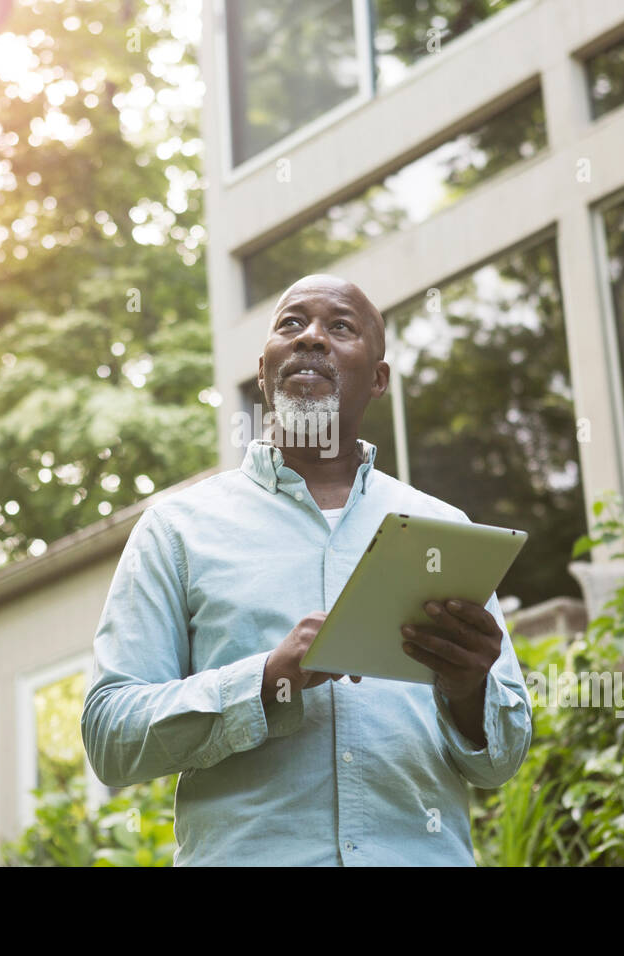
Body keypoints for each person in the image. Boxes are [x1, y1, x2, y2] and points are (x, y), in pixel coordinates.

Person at [82, 273, 533, 865]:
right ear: (264, 367)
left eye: (340, 327)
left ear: (378, 379)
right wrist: (265, 680)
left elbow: (501, 760)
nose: (311, 338)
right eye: (291, 324)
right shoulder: (177, 530)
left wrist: (469, 687)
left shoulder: (444, 529)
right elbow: (111, 736)